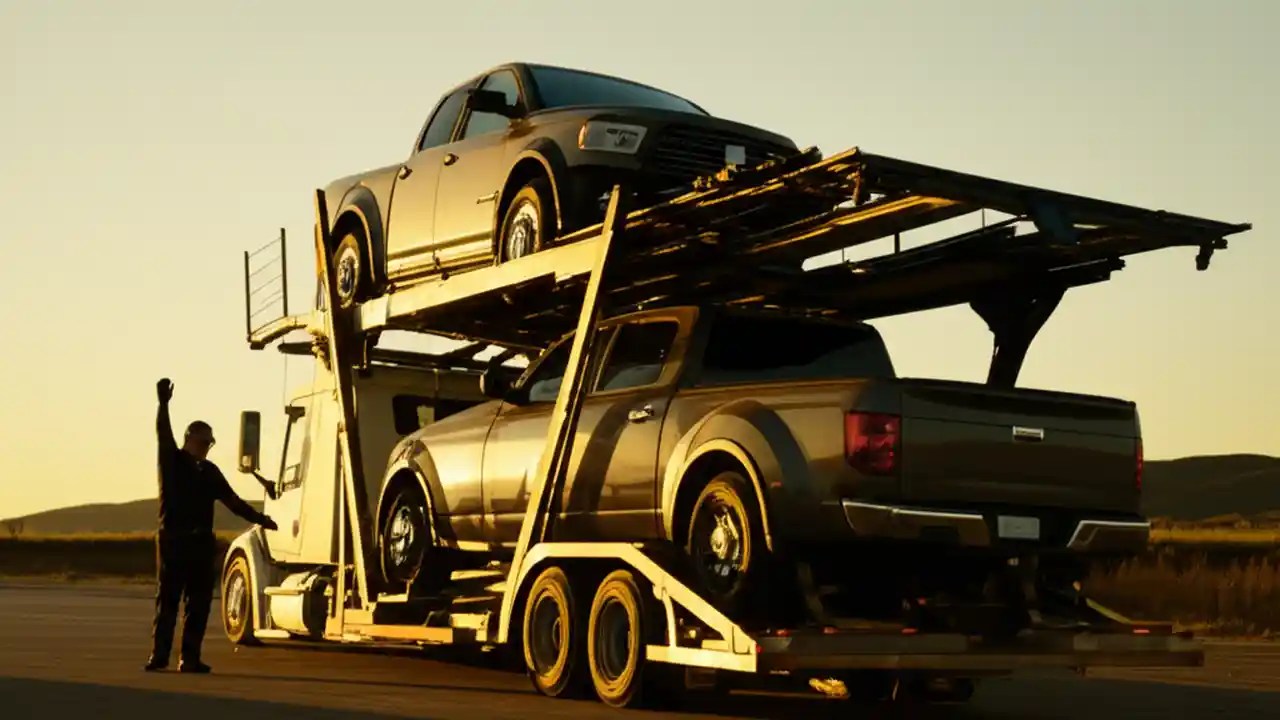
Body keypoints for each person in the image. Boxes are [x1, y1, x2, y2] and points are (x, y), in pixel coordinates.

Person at [146, 378, 278, 673]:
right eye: (203, 441)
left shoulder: (210, 472)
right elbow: (162, 435)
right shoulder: (172, 461)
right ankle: (159, 656)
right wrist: (163, 405)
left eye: (210, 443)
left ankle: (189, 658)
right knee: (167, 602)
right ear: (189, 438)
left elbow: (233, 501)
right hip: (174, 542)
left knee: (199, 605)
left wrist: (261, 519)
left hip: (200, 545)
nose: (207, 447)